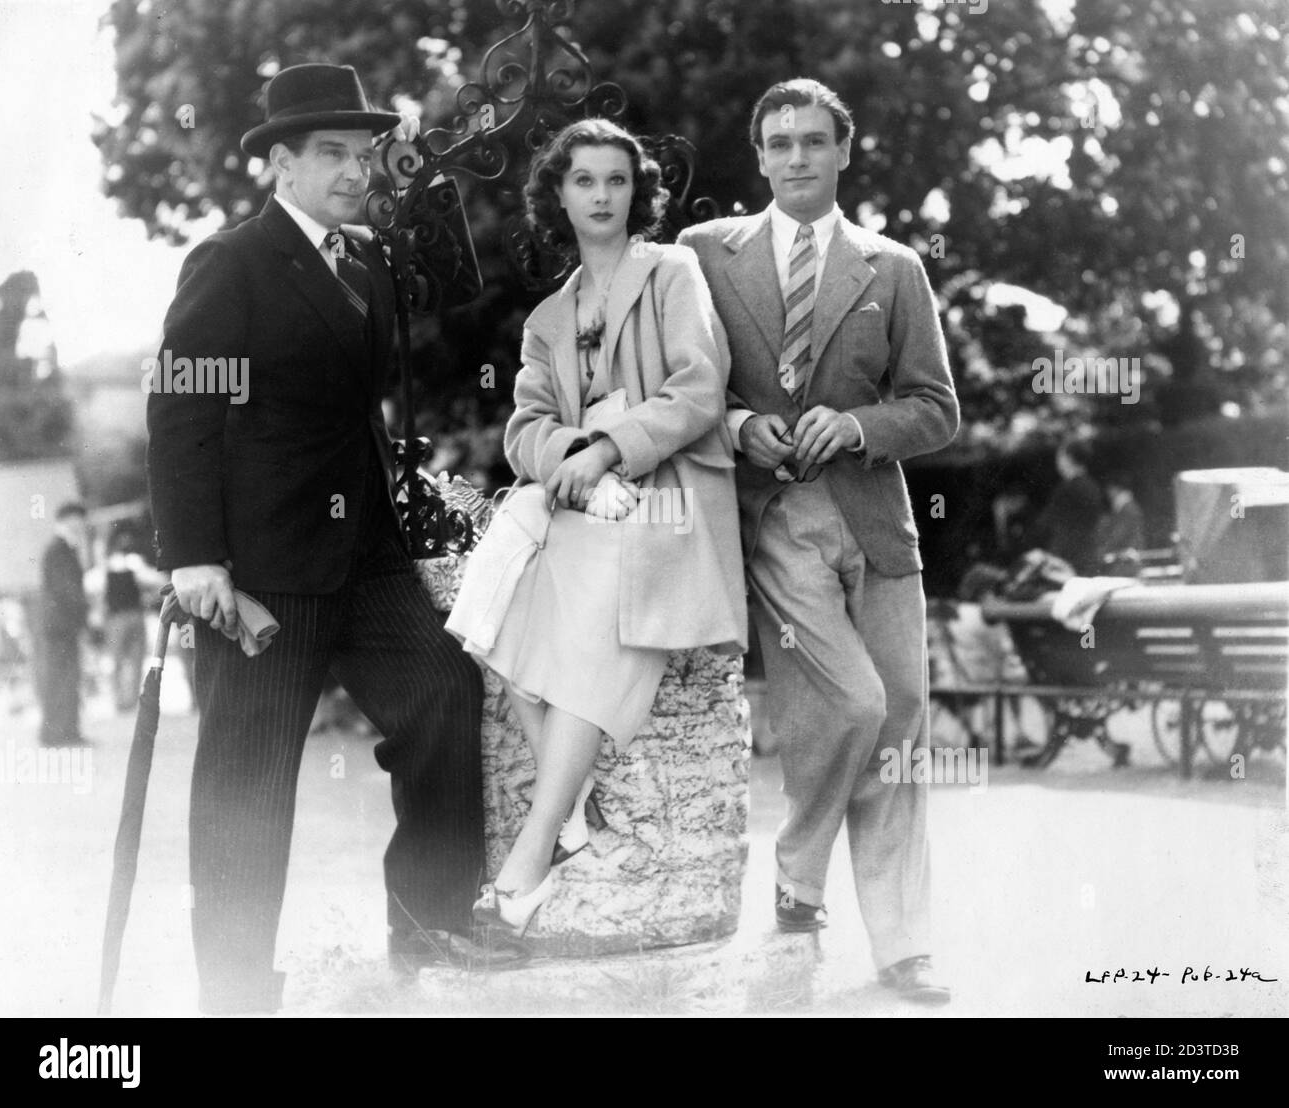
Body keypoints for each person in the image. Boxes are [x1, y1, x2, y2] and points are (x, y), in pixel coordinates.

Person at [146, 63, 498, 1013]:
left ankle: (428, 935)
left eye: (364, 152)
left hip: (369, 559)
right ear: (280, 165)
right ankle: (233, 990)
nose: (355, 169)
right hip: (262, 569)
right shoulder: (233, 263)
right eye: (333, 153)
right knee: (247, 782)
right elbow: (182, 412)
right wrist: (194, 557)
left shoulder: (372, 262)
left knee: (443, 698)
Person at [678, 79, 959, 1003]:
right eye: (779, 142)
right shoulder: (704, 256)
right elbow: (678, 386)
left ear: (844, 151)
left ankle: (903, 943)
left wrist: (862, 426)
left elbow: (937, 409)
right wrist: (736, 426)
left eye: (813, 141)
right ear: (758, 158)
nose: (796, 157)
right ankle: (801, 870)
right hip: (775, 522)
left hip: (876, 525)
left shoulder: (894, 268)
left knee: (899, 722)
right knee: (850, 706)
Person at [446, 118, 748, 939]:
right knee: (494, 613)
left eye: (618, 180)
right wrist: (574, 457)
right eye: (584, 181)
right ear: (559, 197)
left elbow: (699, 390)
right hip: (580, 497)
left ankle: (530, 860)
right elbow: (524, 428)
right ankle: (574, 819)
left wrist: (613, 444)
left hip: (668, 496)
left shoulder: (672, 271)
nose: (603, 195)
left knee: (584, 620)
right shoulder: (548, 317)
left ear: (637, 192)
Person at [37, 501, 89, 747]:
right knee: (60, 678)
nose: (81, 524)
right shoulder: (59, 550)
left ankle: (65, 731)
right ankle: (56, 733)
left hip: (62, 624)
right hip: (60, 625)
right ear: (66, 520)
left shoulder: (63, 548)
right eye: (77, 518)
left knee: (66, 678)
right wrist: (85, 615)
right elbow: (66, 590)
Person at [101, 529, 160, 711]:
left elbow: (93, 587)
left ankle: (120, 701)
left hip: (116, 617)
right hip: (133, 614)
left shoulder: (105, 566)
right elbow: (157, 580)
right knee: (134, 660)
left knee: (118, 660)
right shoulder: (135, 563)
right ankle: (130, 701)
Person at [1026, 439, 1103, 575]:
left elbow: (1048, 524)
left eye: (1059, 456)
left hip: (1067, 560)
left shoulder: (1066, 489)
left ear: (1068, 458)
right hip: (1090, 555)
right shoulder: (1093, 487)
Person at [1094, 470, 1146, 571]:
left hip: (1127, 562)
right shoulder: (1125, 507)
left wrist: (1102, 551)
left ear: (1114, 488)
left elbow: (1119, 535)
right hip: (1124, 559)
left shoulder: (1128, 508)